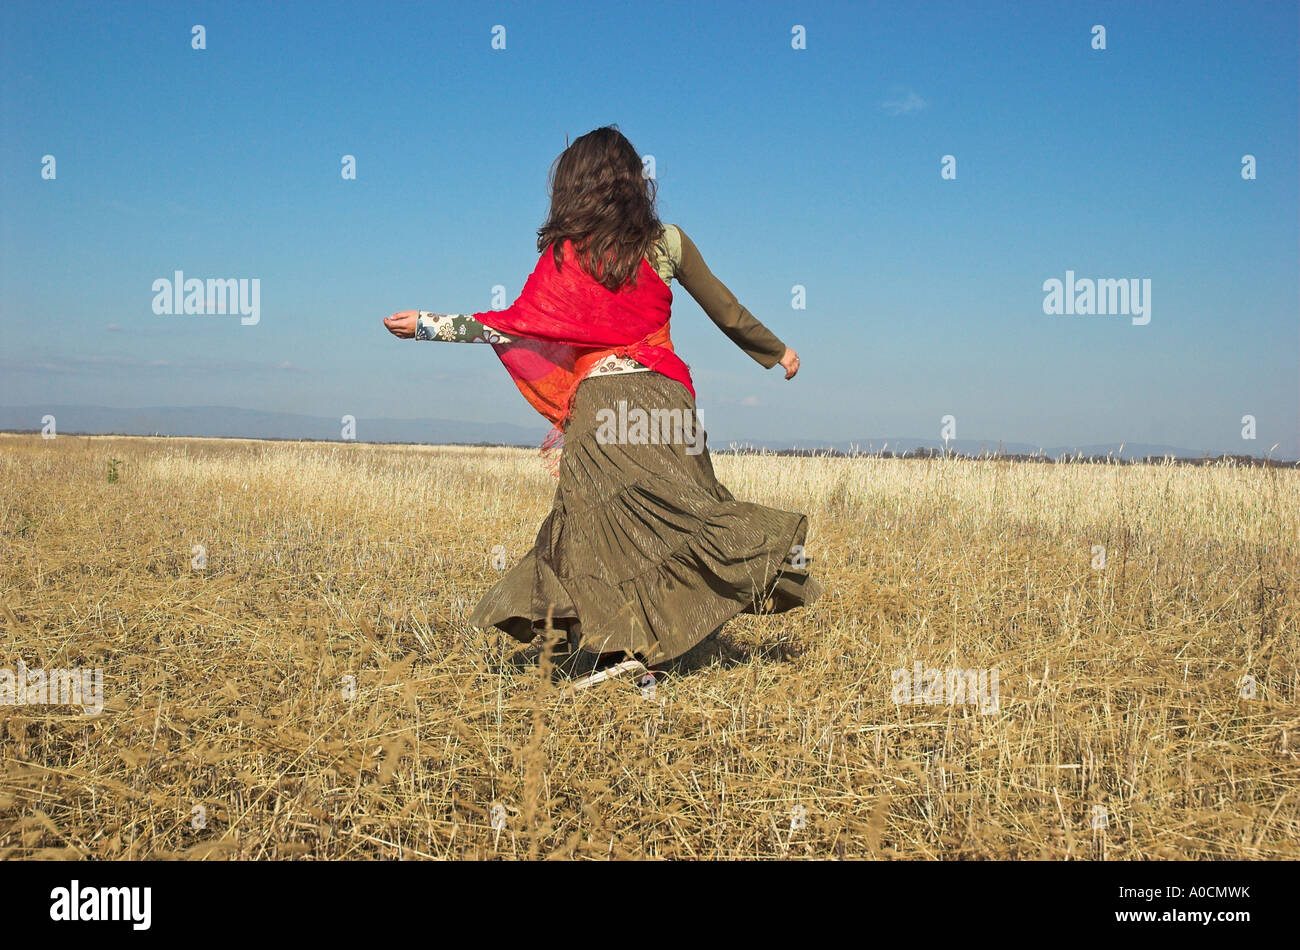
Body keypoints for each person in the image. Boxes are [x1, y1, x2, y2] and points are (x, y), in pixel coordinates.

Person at [383, 125, 819, 684]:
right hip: (666, 402)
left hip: (600, 408)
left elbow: (511, 327)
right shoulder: (669, 243)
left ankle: (626, 650)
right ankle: (658, 643)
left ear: (574, 186)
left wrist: (427, 325)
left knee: (593, 533)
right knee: (688, 515)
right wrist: (776, 350)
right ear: (635, 182)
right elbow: (726, 311)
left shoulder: (566, 257)